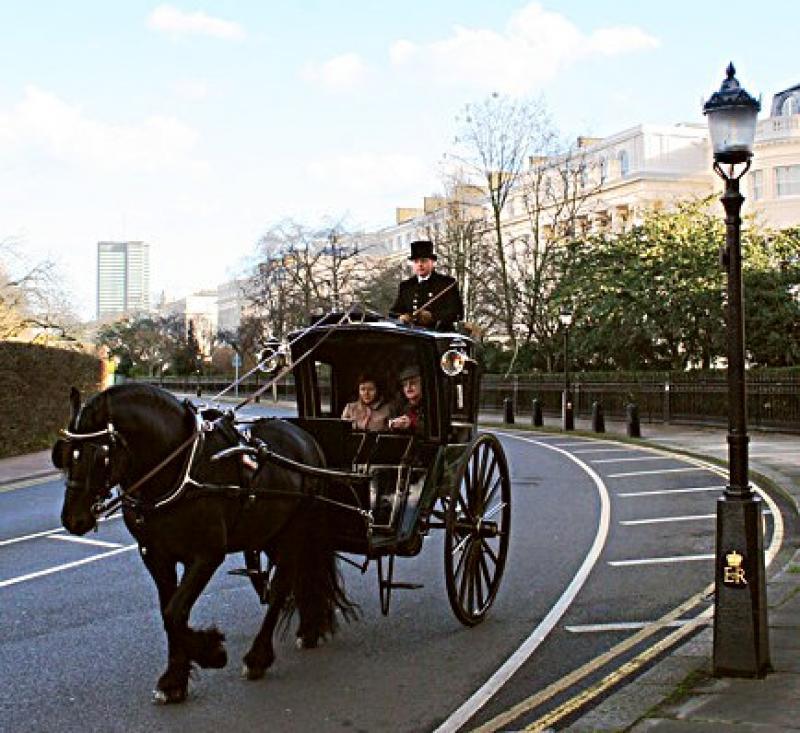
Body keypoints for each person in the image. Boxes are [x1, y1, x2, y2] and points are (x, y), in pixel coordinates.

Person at [390, 240, 464, 332]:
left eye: (423, 261)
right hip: (413, 336)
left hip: (439, 336)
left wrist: (433, 317)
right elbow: (393, 312)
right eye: (416, 261)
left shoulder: (446, 283)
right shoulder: (406, 286)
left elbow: (458, 313)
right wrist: (401, 317)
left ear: (432, 262)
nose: (420, 264)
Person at [388, 365, 425, 435]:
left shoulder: (432, 405)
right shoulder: (397, 407)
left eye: (413, 383)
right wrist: (393, 425)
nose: (408, 387)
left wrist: (412, 424)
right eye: (405, 384)